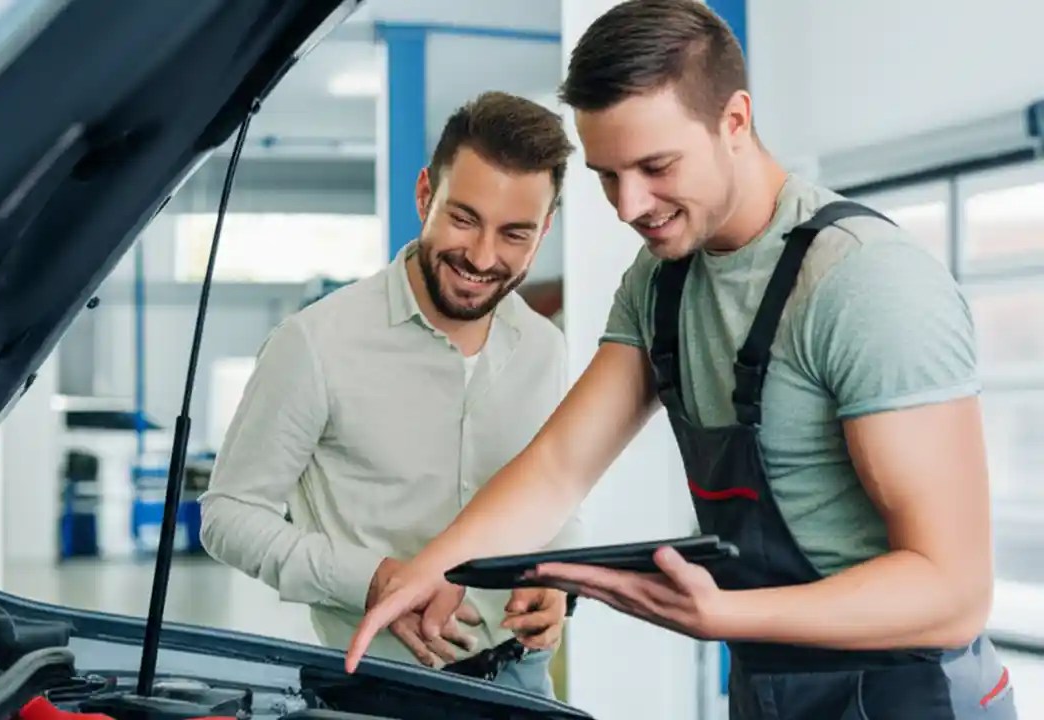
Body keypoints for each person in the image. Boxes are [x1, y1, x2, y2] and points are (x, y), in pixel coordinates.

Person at [344, 2, 1017, 718]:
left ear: (734, 121)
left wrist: (726, 618)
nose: (631, 204)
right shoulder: (662, 281)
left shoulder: (864, 283)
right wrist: (430, 568)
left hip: (912, 694)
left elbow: (953, 594)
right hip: (769, 688)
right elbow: (558, 467)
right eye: (607, 175)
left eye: (656, 167)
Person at [199, 91, 584, 698]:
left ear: (546, 229)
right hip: (376, 687)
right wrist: (370, 580)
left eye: (515, 233)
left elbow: (553, 491)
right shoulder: (315, 343)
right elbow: (228, 516)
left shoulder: (544, 348)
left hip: (520, 682)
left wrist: (558, 578)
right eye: (463, 219)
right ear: (425, 195)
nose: (483, 257)